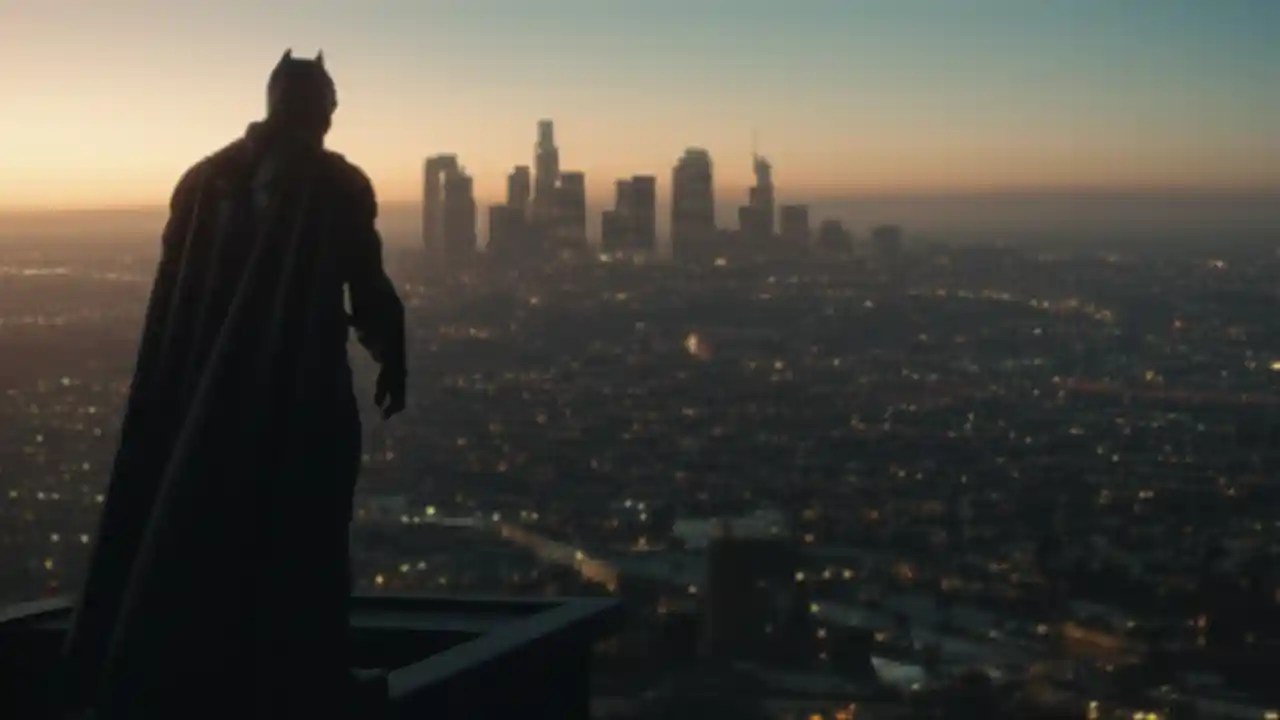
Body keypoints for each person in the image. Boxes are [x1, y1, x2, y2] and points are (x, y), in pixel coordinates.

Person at [60, 50, 405, 719]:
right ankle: (309, 675)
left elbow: (173, 299)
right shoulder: (336, 184)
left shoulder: (199, 184)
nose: (334, 113)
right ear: (313, 105)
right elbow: (366, 285)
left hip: (198, 393)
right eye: (330, 100)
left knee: (200, 515)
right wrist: (393, 354)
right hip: (298, 385)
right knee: (306, 519)